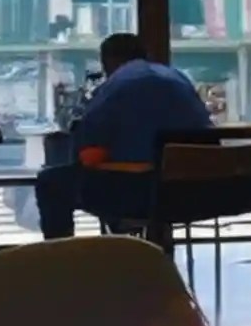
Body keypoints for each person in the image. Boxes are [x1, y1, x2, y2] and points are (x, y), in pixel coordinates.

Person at [35, 33, 212, 240]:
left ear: (107, 62)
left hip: (143, 193)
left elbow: (90, 157)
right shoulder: (178, 78)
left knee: (52, 182)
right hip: (194, 192)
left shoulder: (115, 86)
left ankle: (59, 260)